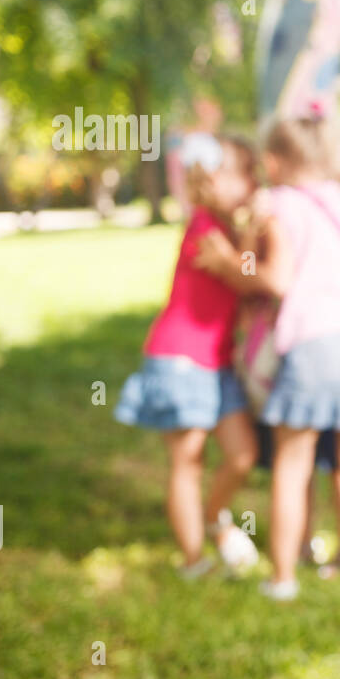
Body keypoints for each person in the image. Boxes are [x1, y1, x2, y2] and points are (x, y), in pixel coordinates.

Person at [195, 117, 340, 601]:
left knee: (293, 459)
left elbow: (275, 278)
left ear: (275, 162)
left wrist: (234, 264)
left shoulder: (281, 204)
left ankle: (281, 578)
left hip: (311, 342)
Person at [114, 133, 261, 579]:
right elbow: (246, 277)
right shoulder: (204, 230)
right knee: (188, 460)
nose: (253, 183)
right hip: (180, 360)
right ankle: (193, 560)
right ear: (211, 179)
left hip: (215, 364)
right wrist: (255, 232)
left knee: (241, 456)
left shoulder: (225, 229)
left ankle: (214, 520)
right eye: (244, 174)